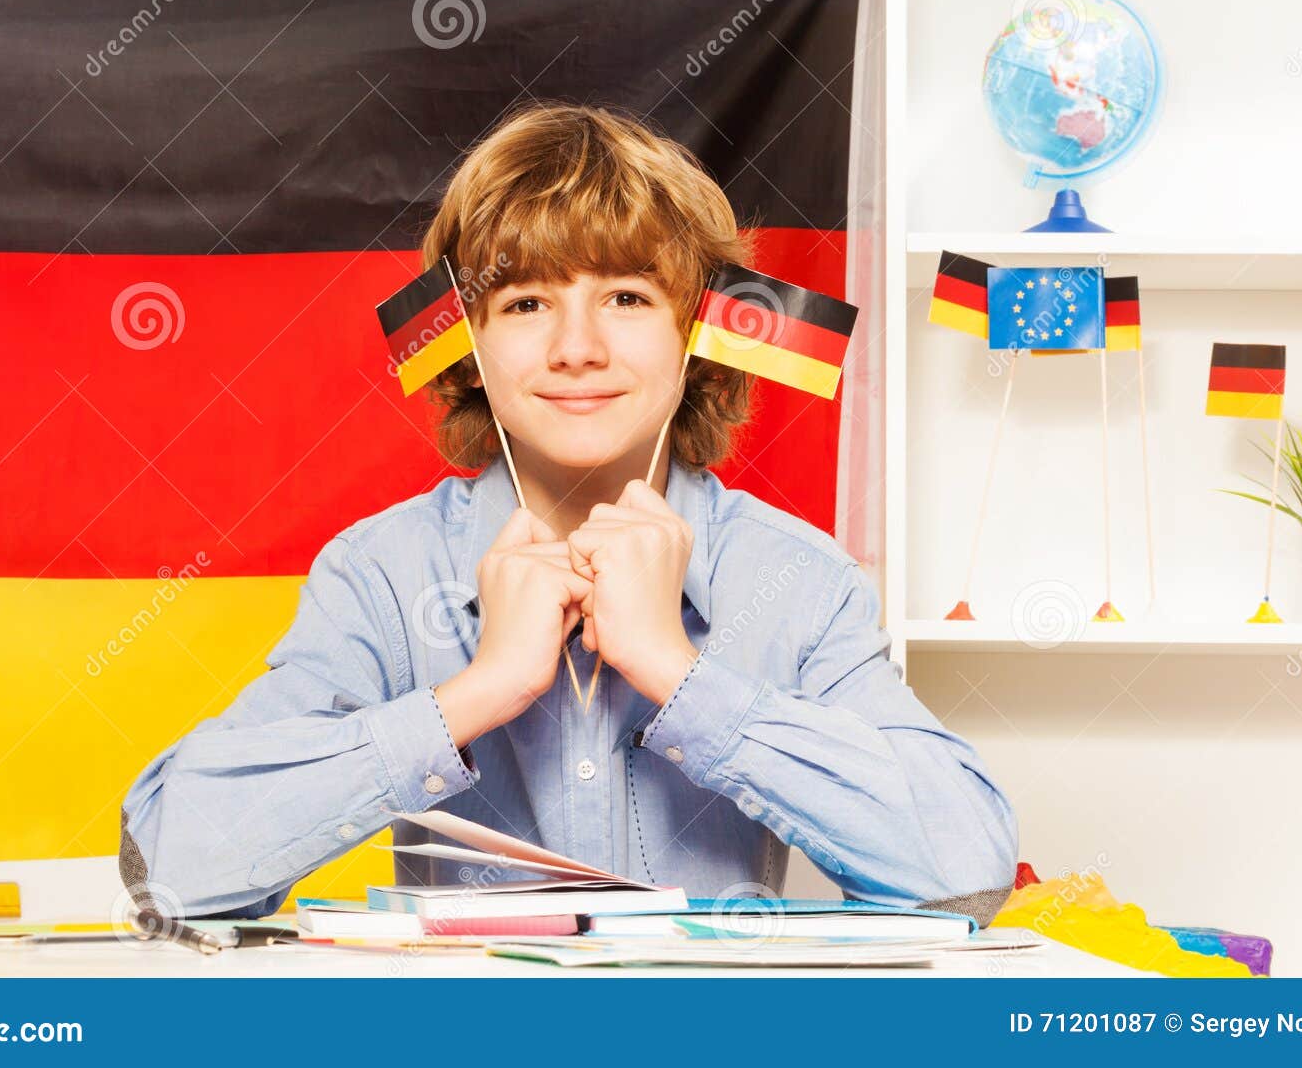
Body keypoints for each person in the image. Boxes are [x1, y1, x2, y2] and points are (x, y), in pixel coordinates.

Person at [118, 102, 1019, 924]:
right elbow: (172, 866)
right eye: (526, 302)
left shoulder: (797, 579)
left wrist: (677, 669)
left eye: (626, 298)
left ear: (698, 334)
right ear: (467, 348)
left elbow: (966, 870)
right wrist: (477, 692)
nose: (576, 349)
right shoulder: (382, 574)